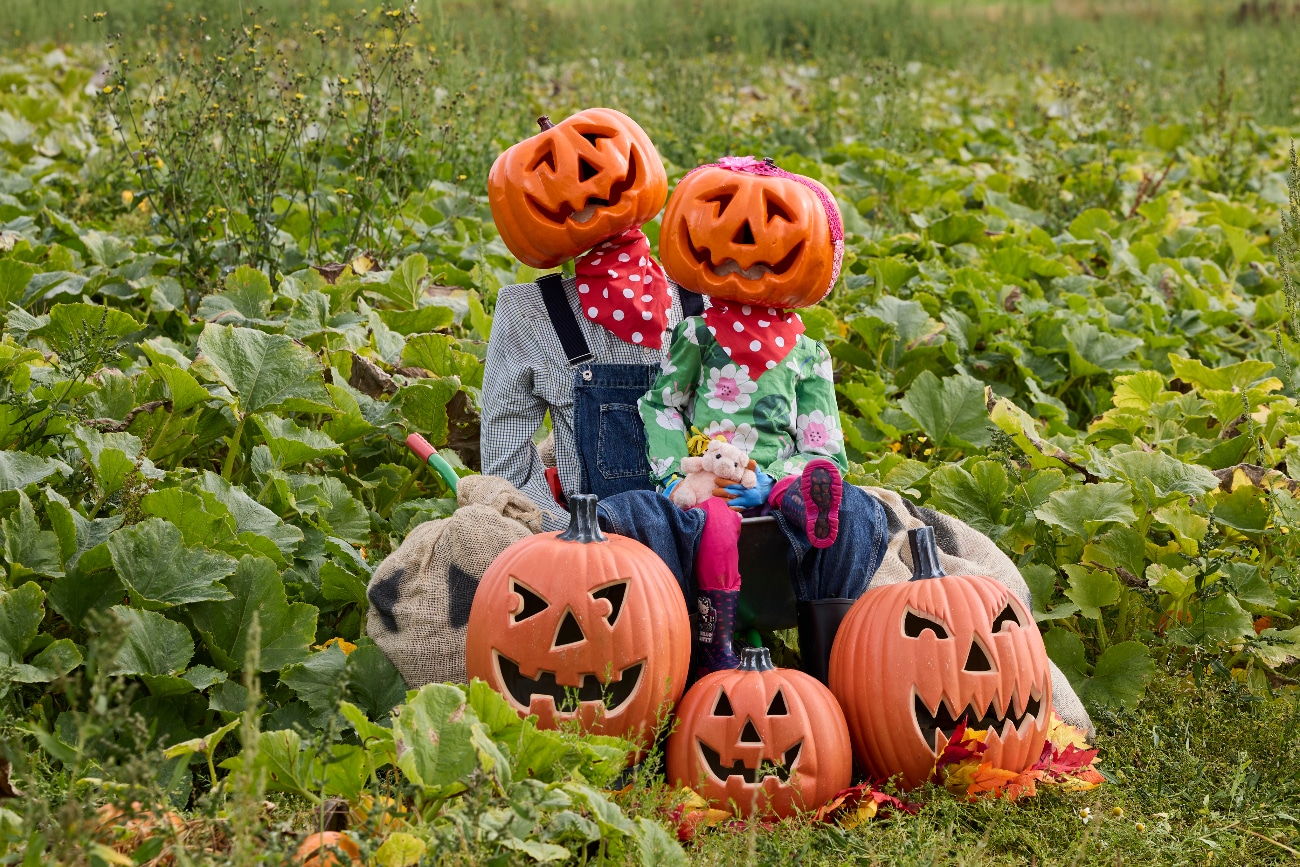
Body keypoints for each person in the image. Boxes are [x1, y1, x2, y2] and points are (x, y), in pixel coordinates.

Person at [639, 156, 891, 677]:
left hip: (773, 479)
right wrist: (673, 478)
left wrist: (770, 482)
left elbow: (823, 446)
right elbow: (661, 404)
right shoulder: (698, 336)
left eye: (775, 229)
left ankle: (797, 503)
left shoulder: (809, 354)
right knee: (715, 527)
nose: (748, 249)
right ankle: (717, 638)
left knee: (817, 487)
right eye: (726, 223)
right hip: (712, 478)